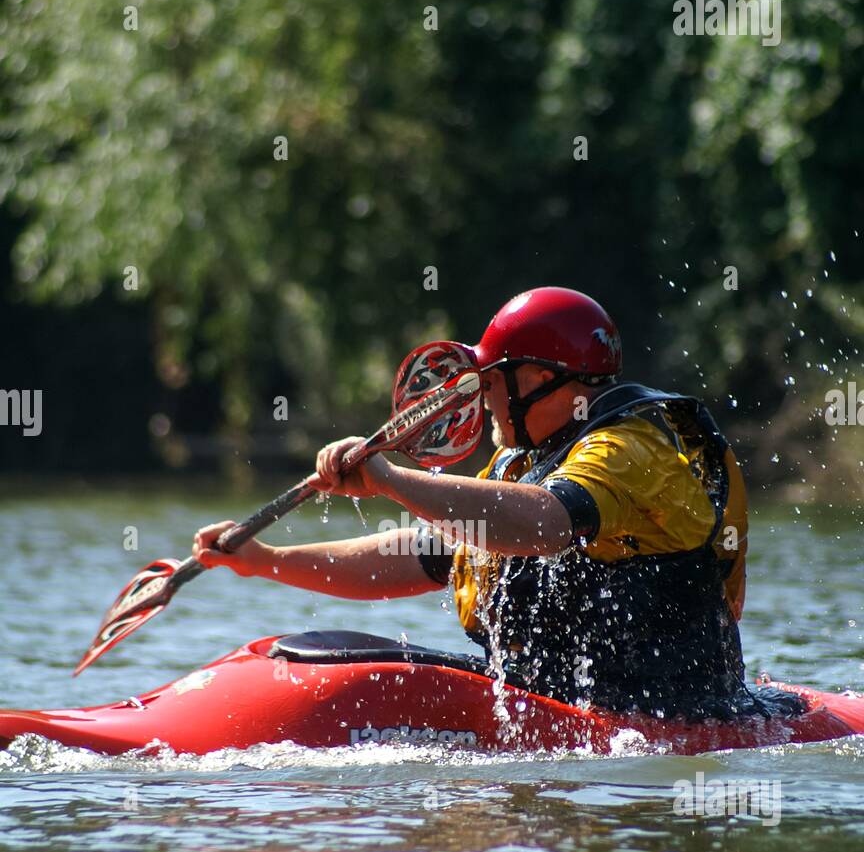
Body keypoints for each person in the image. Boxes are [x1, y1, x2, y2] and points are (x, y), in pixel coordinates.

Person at [193, 287, 758, 719]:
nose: (484, 396)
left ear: (539, 378)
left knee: (368, 682)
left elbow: (547, 522)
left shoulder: (629, 450)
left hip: (672, 709)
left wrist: (393, 480)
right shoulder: (519, 463)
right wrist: (261, 560)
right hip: (568, 703)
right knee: (326, 655)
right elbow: (417, 554)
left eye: (493, 379)